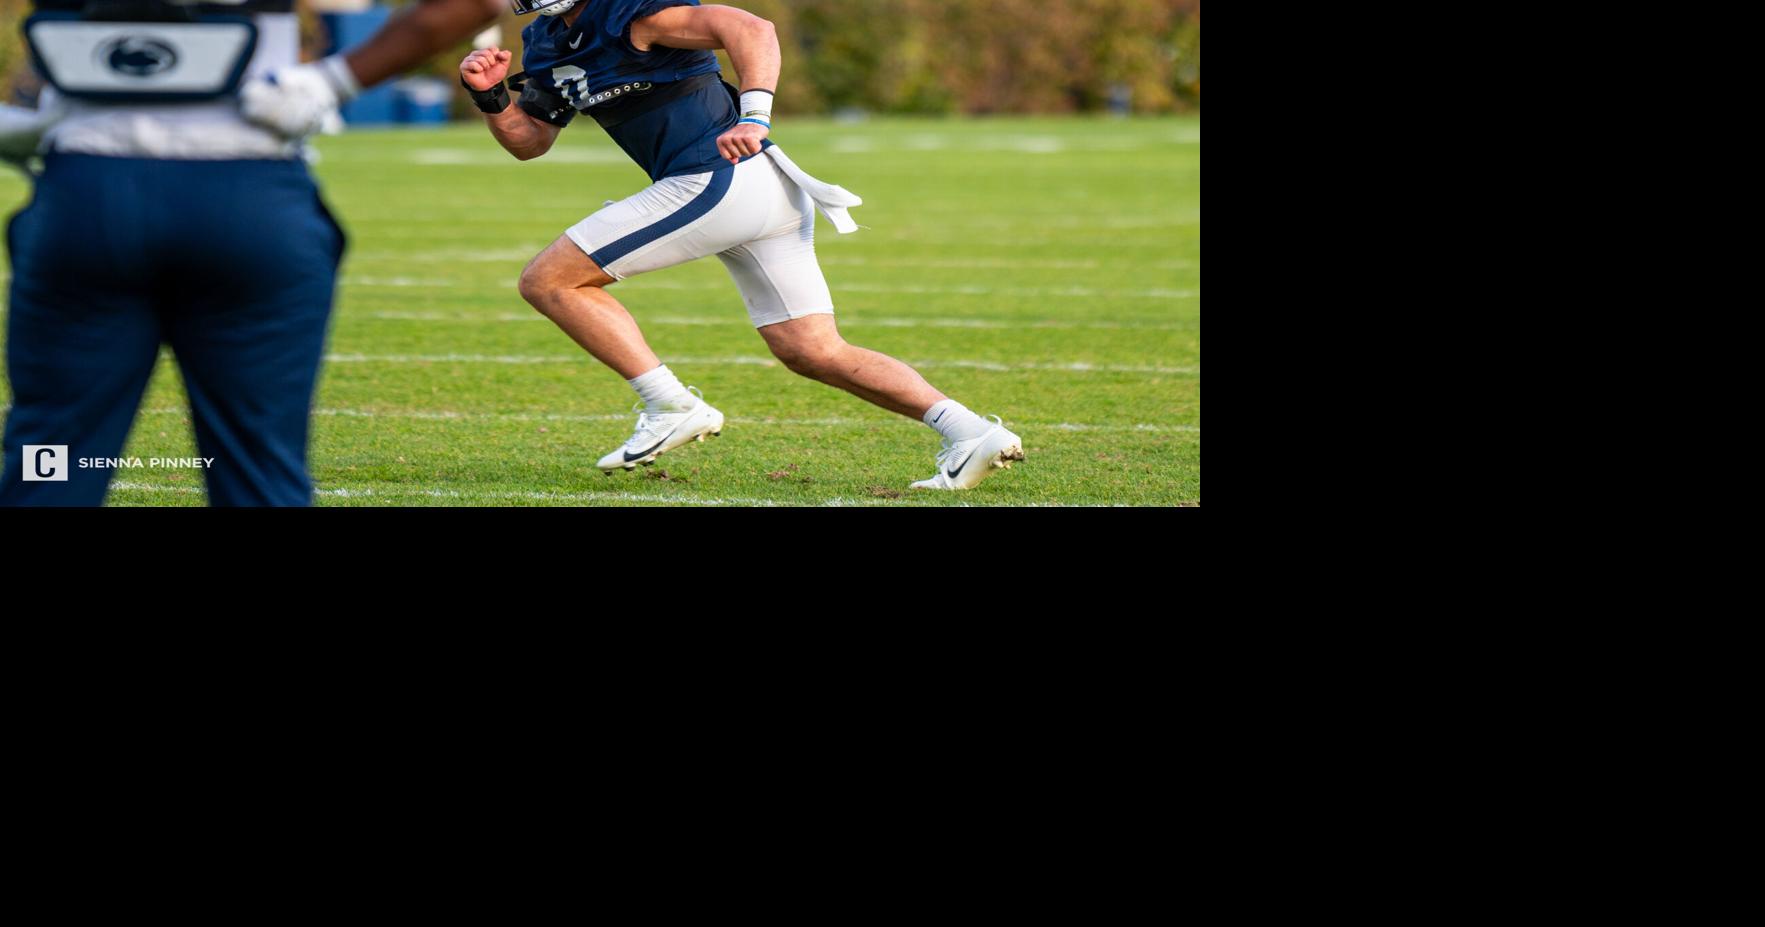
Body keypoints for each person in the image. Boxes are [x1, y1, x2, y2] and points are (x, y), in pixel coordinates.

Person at [463, 0, 1026, 490]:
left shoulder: (632, 11)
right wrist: (490, 97)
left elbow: (752, 28)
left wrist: (755, 116)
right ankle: (970, 432)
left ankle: (669, 403)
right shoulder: (546, 40)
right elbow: (530, 141)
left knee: (549, 280)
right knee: (811, 349)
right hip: (752, 187)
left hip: (717, 174)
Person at [0, 0, 504, 506]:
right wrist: (331, 82)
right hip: (247, 197)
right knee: (258, 468)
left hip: (84, 196)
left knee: (51, 461)